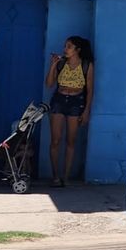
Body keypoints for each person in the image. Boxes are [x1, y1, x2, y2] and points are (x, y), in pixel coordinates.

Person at [44, 36, 94, 187]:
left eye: (69, 47)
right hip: (59, 99)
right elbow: (49, 84)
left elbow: (90, 90)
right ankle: (55, 176)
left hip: (76, 101)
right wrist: (53, 65)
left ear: (77, 50)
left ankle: (66, 176)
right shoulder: (61, 64)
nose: (65, 49)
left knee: (71, 141)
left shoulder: (86, 65)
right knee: (55, 140)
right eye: (65, 46)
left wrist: (86, 111)